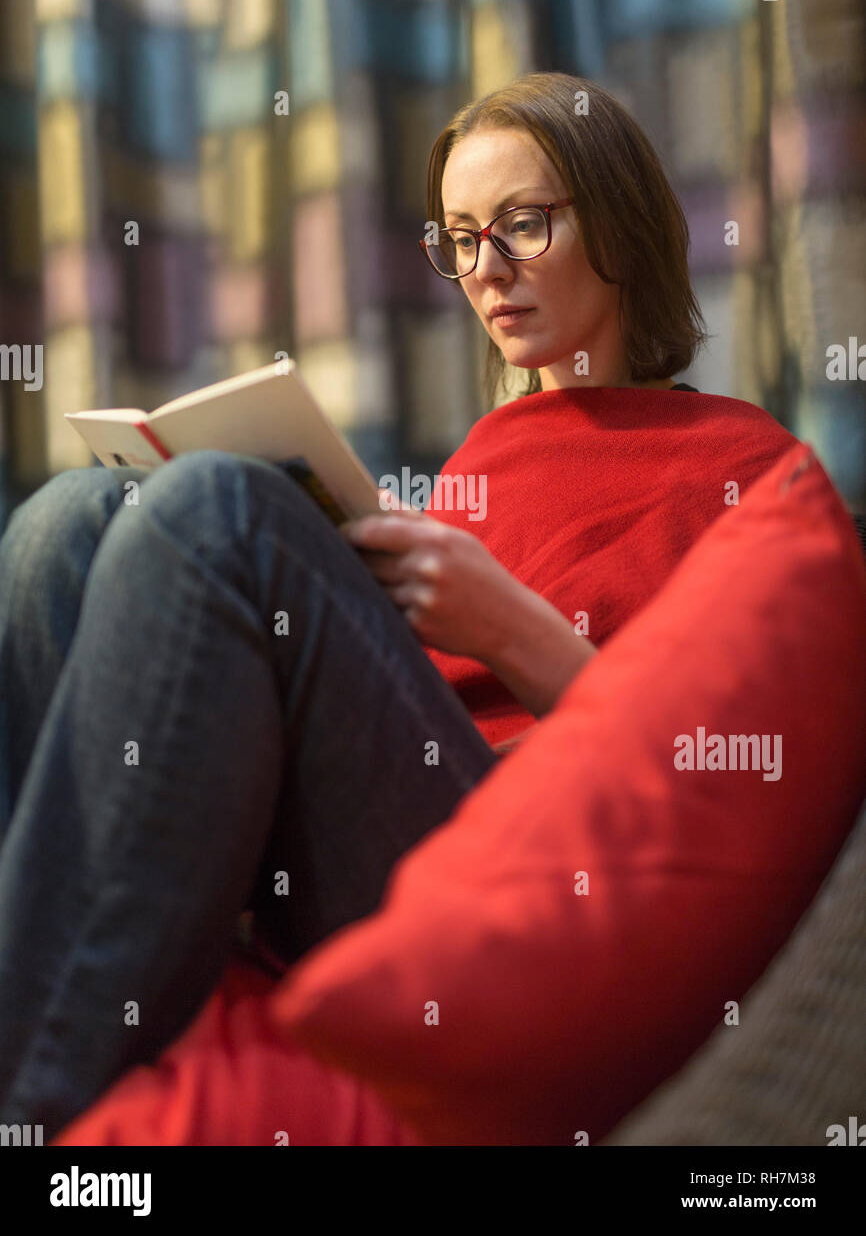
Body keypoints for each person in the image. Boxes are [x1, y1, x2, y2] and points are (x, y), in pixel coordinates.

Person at [0, 71, 796, 1142]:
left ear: (617, 217)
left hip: (531, 880)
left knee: (219, 509)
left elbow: (732, 781)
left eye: (520, 224)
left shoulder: (750, 471)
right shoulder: (477, 463)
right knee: (64, 519)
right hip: (370, 847)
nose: (485, 272)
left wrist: (506, 625)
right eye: (459, 239)